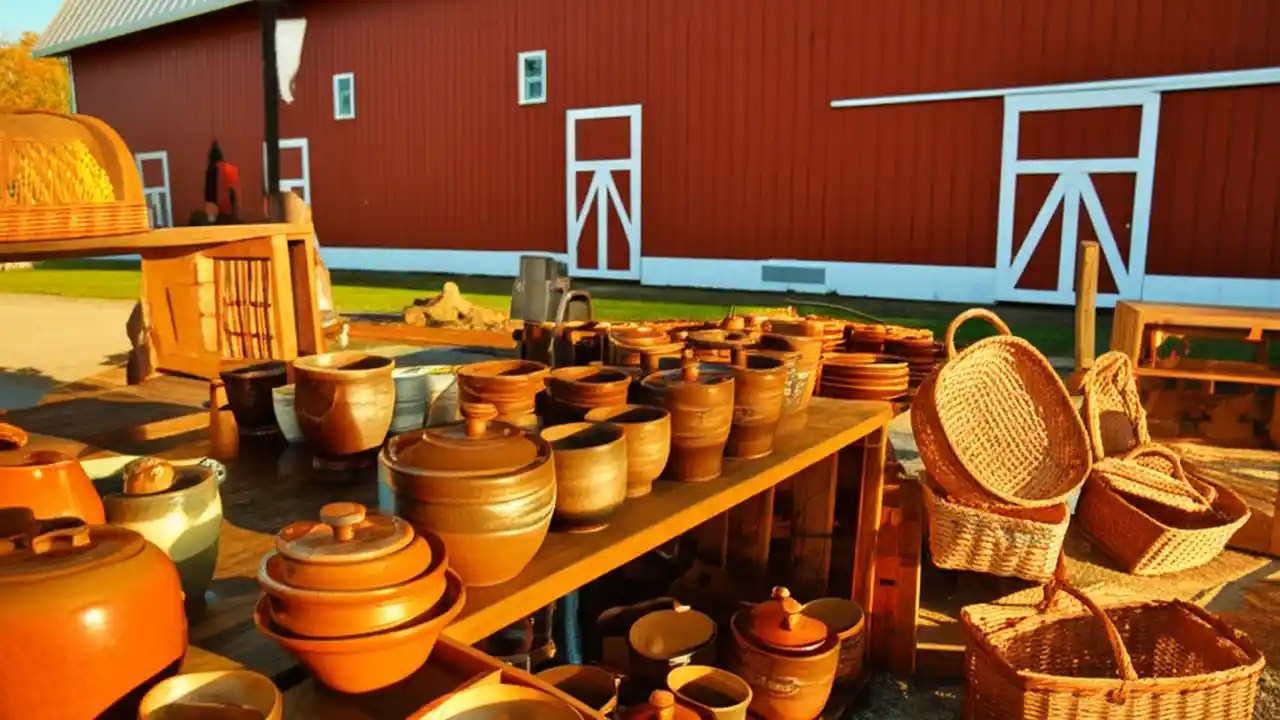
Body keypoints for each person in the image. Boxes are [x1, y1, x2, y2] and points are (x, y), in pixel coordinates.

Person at [202, 141, 241, 223]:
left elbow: (209, 192)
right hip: (231, 208)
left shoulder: (211, 170)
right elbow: (235, 189)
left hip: (217, 208)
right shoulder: (231, 169)